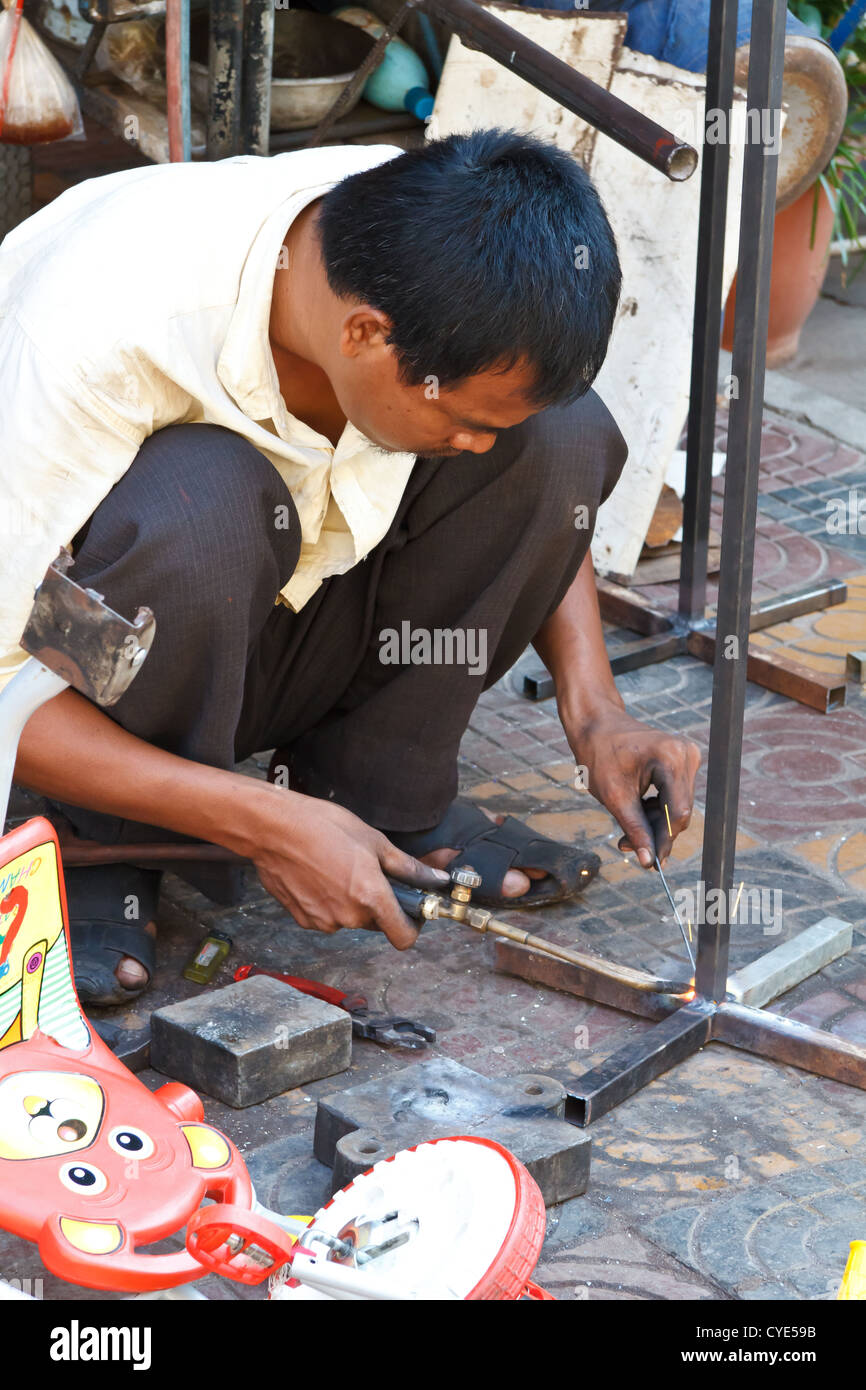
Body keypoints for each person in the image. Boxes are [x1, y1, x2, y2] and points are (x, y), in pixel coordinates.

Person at [0, 128, 699, 1004]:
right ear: (366, 334)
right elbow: (3, 700)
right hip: (94, 672)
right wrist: (265, 821)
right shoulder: (85, 335)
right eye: (465, 422)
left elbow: (531, 470)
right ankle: (107, 836)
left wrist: (597, 713)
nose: (479, 445)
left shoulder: (403, 236)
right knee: (201, 502)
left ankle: (373, 797)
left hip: (275, 626)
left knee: (560, 439)